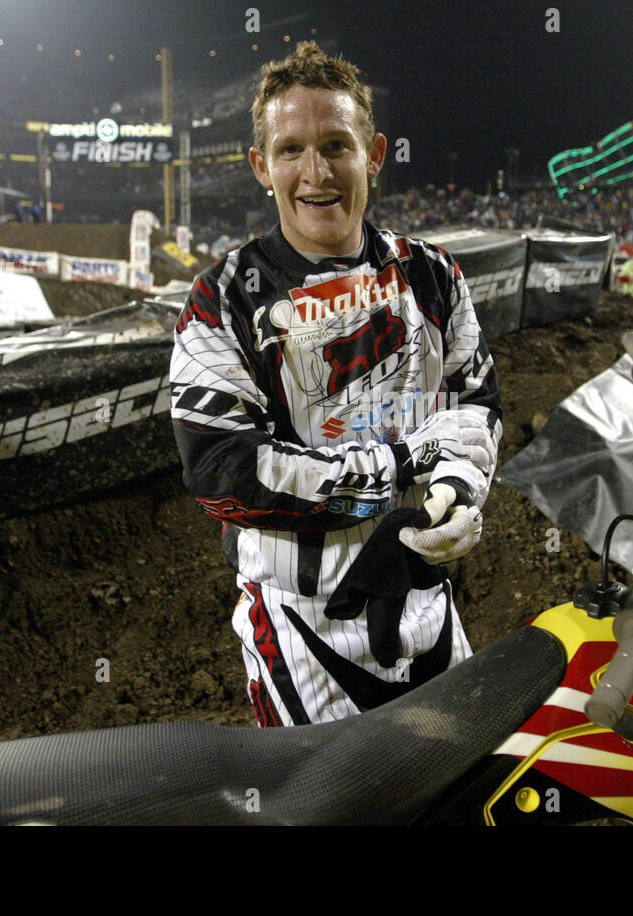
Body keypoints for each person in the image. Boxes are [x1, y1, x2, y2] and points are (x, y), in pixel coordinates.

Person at [169, 42, 502, 726]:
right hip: (302, 614)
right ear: (262, 165)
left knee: (464, 790)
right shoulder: (222, 299)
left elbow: (477, 403)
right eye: (291, 150)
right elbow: (221, 469)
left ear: (374, 154)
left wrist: (456, 491)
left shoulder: (433, 276)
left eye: (336, 145)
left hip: (426, 589)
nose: (315, 172)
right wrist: (397, 467)